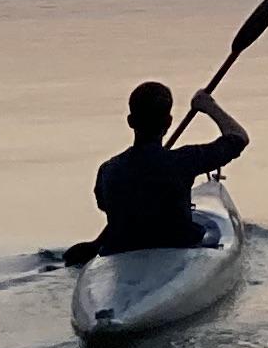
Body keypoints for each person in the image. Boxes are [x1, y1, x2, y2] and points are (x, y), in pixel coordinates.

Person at [66, 79, 249, 267]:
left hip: (122, 253)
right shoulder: (183, 161)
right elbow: (239, 138)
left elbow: (109, 207)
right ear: (169, 122)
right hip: (178, 249)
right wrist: (209, 107)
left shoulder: (108, 170)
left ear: (130, 121)